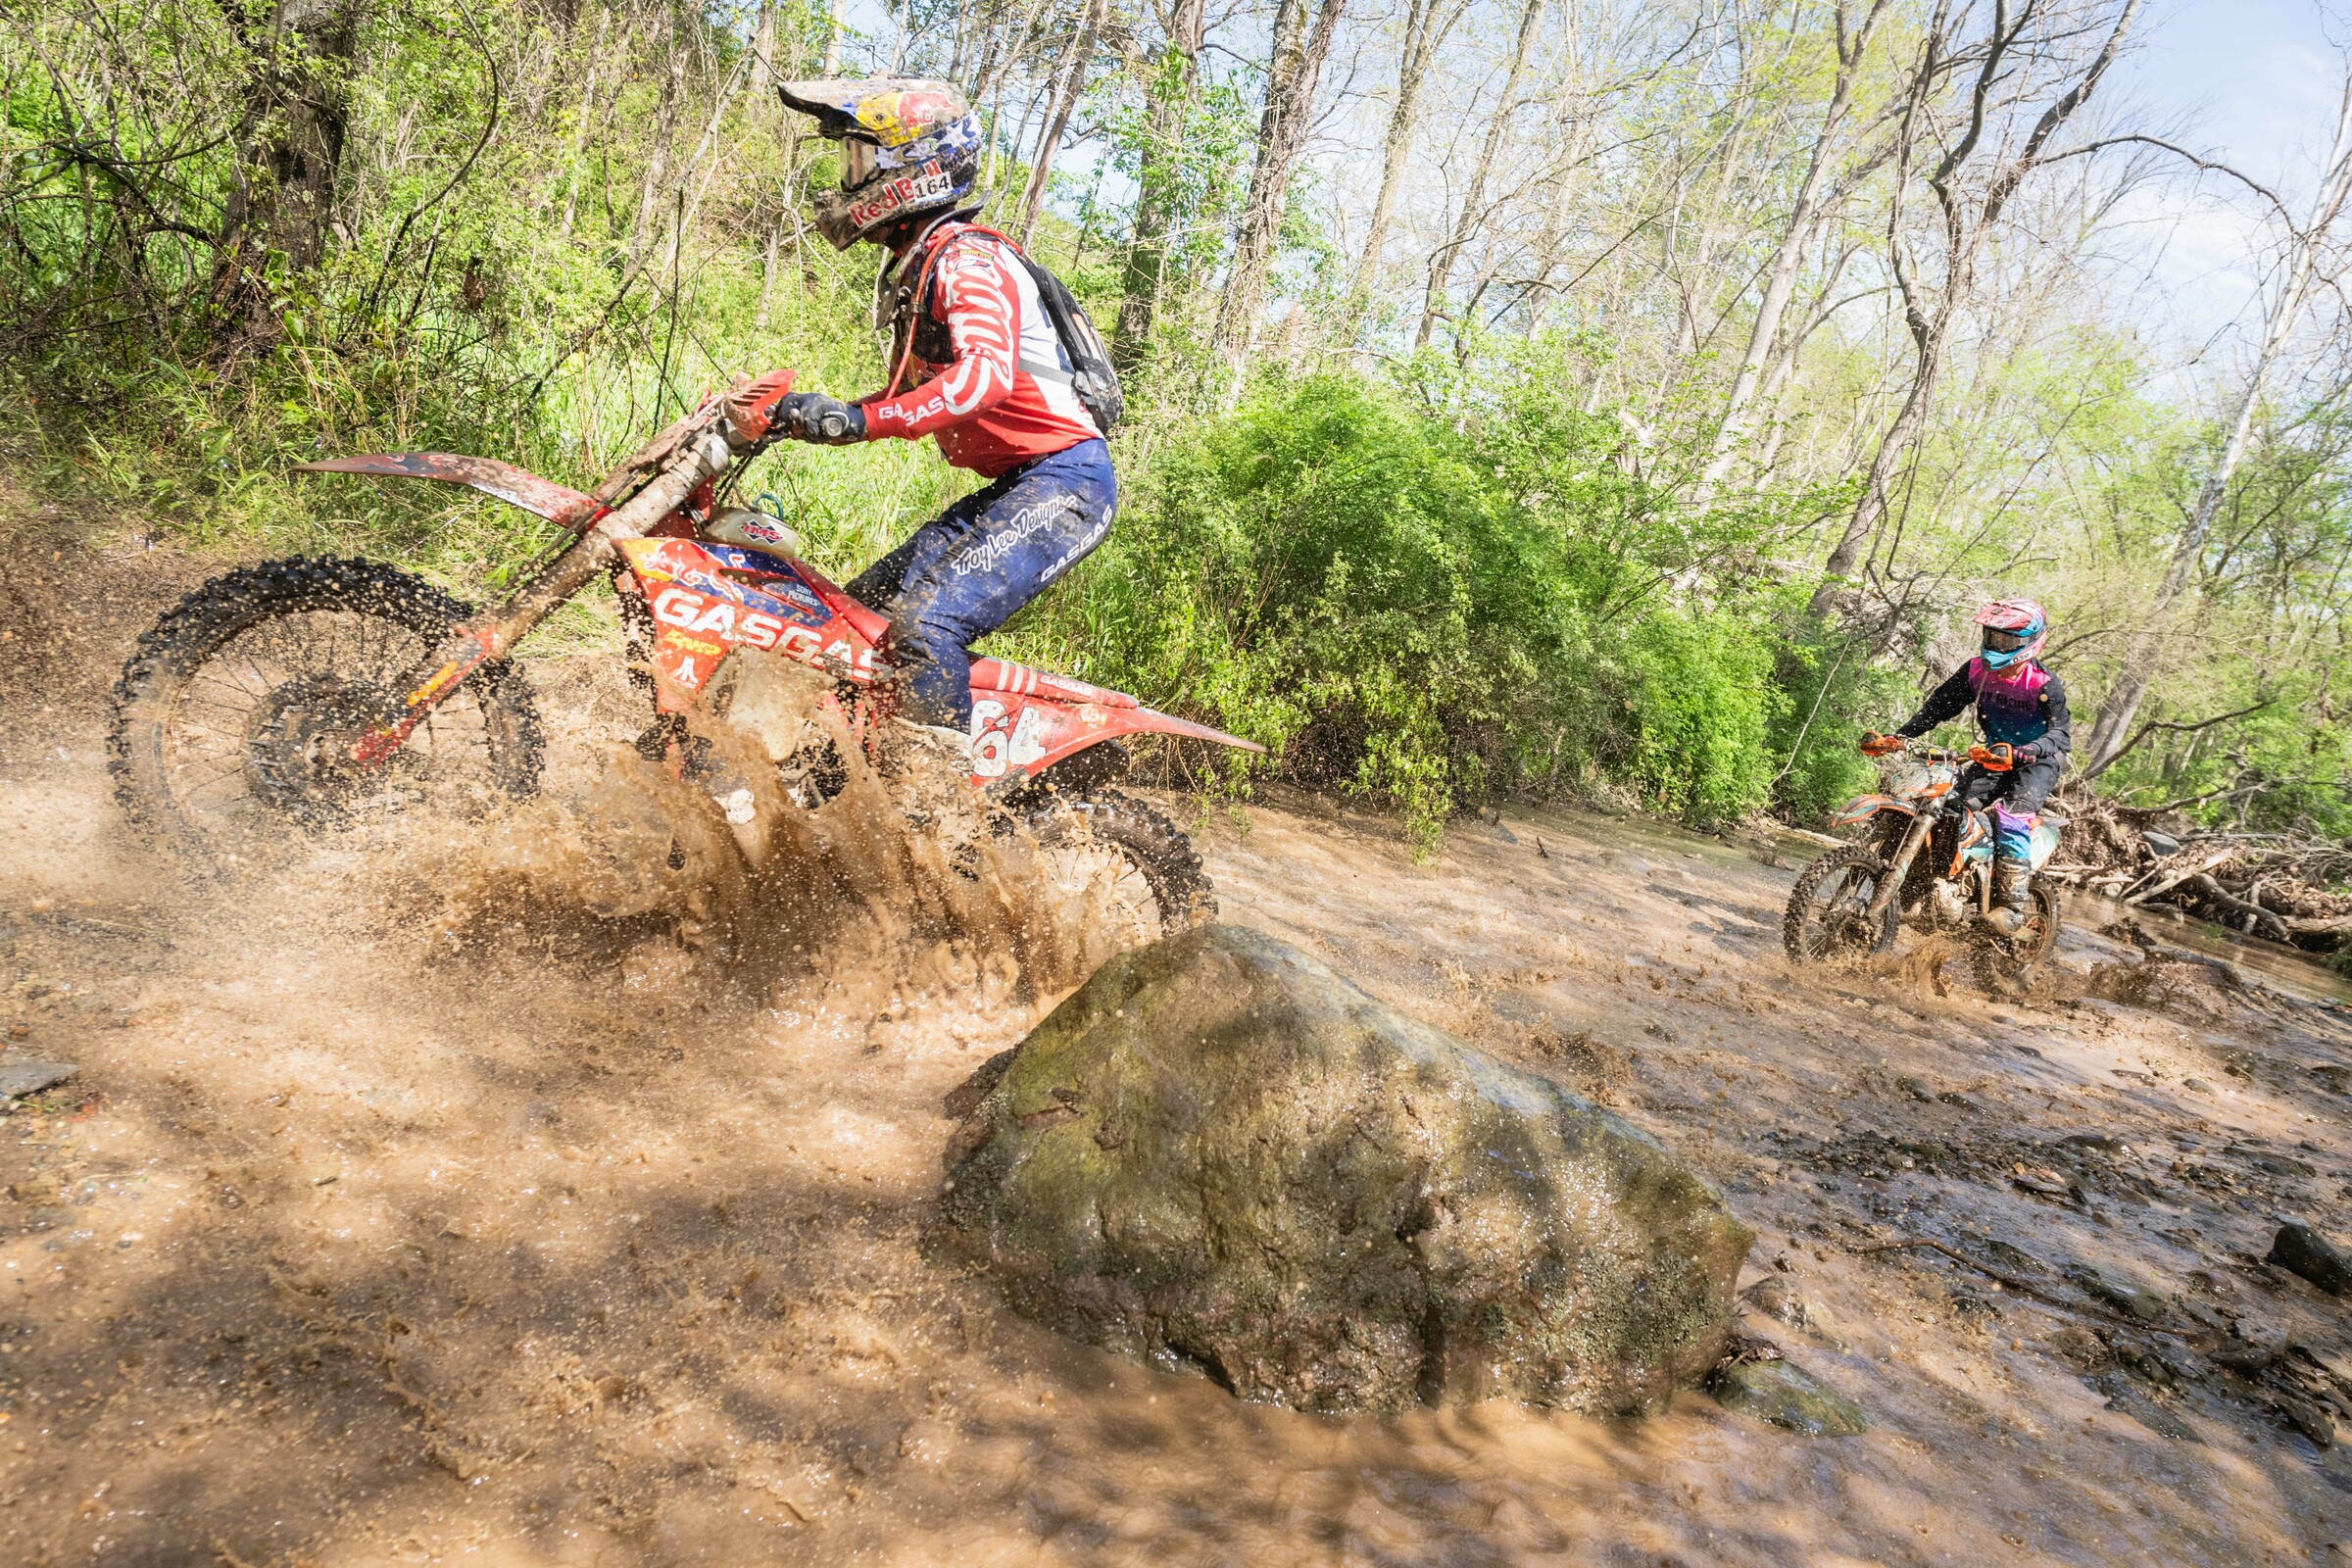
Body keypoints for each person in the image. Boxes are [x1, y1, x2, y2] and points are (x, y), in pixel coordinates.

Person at [749, 77, 1114, 756]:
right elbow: (916, 394)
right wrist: (814, 414)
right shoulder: (923, 261)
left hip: (1067, 484)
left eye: (858, 163)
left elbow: (983, 377)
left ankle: (931, 808)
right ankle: (843, 777)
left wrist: (859, 422)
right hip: (1018, 487)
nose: (846, 181)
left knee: (924, 624)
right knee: (855, 614)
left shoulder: (968, 258)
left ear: (913, 169)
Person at [1861, 598, 2069, 934]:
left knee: (2013, 813)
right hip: (1992, 758)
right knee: (1950, 806)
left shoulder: (2042, 684)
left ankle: (2011, 907)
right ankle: (1937, 881)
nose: (1998, 645)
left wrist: (2028, 750)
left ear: (2030, 643)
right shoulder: (1975, 672)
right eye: (1994, 637)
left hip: (2037, 763)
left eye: (2008, 640)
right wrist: (1898, 737)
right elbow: (1937, 709)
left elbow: (2061, 735)